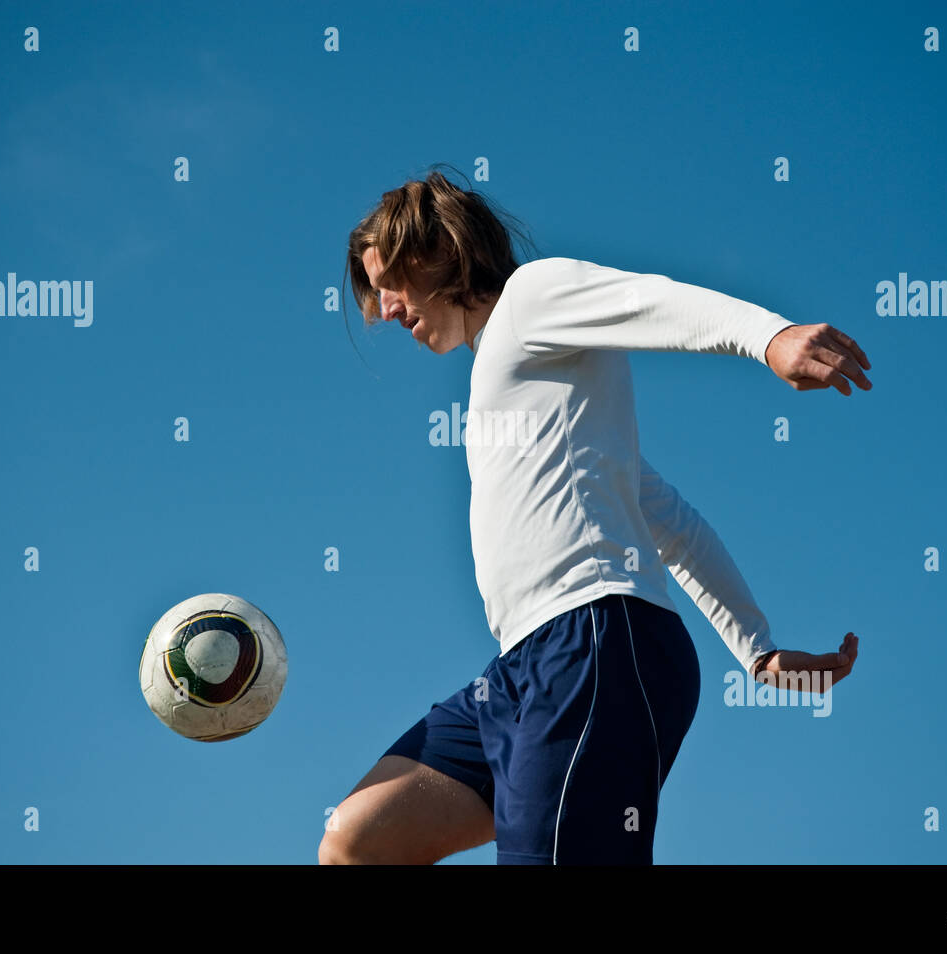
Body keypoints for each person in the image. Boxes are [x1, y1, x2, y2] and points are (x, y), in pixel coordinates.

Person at [321, 169, 865, 865]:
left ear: (439, 252)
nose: (389, 309)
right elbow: (666, 517)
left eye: (391, 281)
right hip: (520, 669)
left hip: (597, 641)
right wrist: (754, 647)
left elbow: (650, 300)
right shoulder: (524, 381)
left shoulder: (530, 297)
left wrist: (770, 337)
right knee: (357, 842)